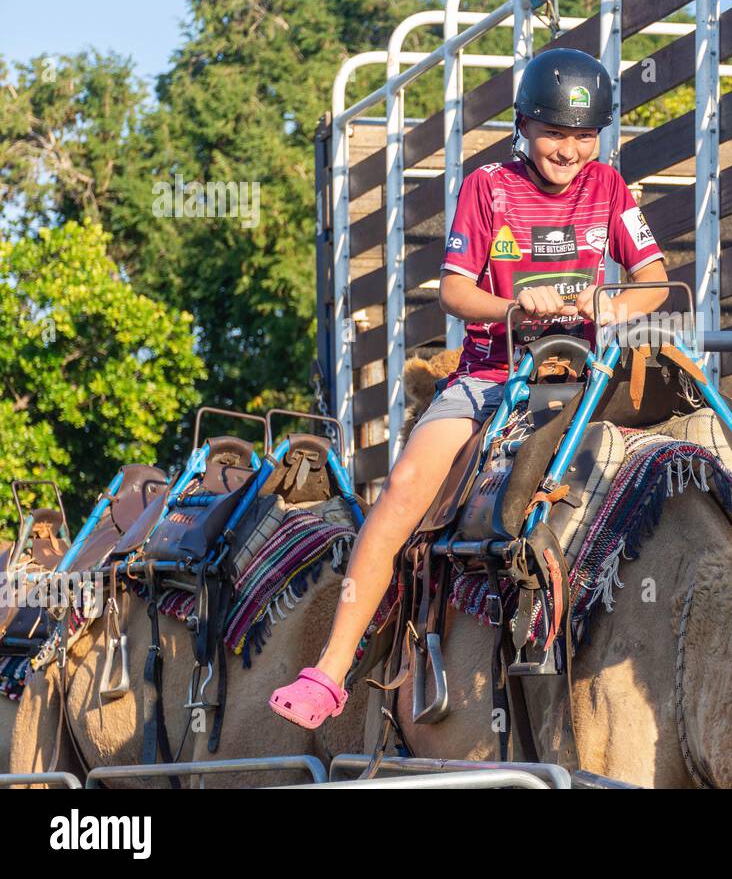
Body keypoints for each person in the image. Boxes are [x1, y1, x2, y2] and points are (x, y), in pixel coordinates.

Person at [269, 48, 669, 728]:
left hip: (586, 379)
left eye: (582, 135)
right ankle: (332, 668)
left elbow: (655, 279)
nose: (568, 150)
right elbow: (454, 290)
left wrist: (611, 305)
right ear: (522, 125)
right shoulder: (487, 186)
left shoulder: (610, 186)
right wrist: (514, 311)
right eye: (553, 133)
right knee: (402, 489)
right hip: (490, 377)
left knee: (674, 465)